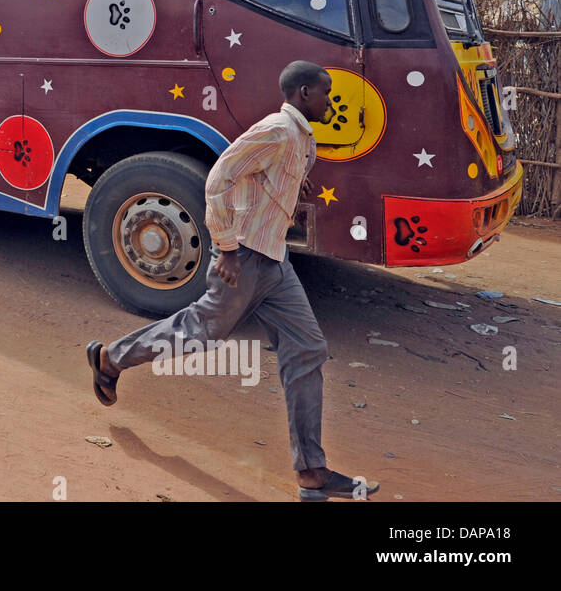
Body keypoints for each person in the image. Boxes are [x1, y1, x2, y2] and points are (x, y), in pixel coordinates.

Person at [87, 61, 381, 501]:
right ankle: (111, 359)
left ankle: (313, 472)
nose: (330, 99)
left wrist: (294, 193)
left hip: (274, 260)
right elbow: (220, 178)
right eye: (325, 92)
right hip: (244, 258)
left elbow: (260, 179)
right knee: (199, 333)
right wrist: (224, 248)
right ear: (303, 93)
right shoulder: (277, 130)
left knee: (307, 351)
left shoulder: (300, 135)